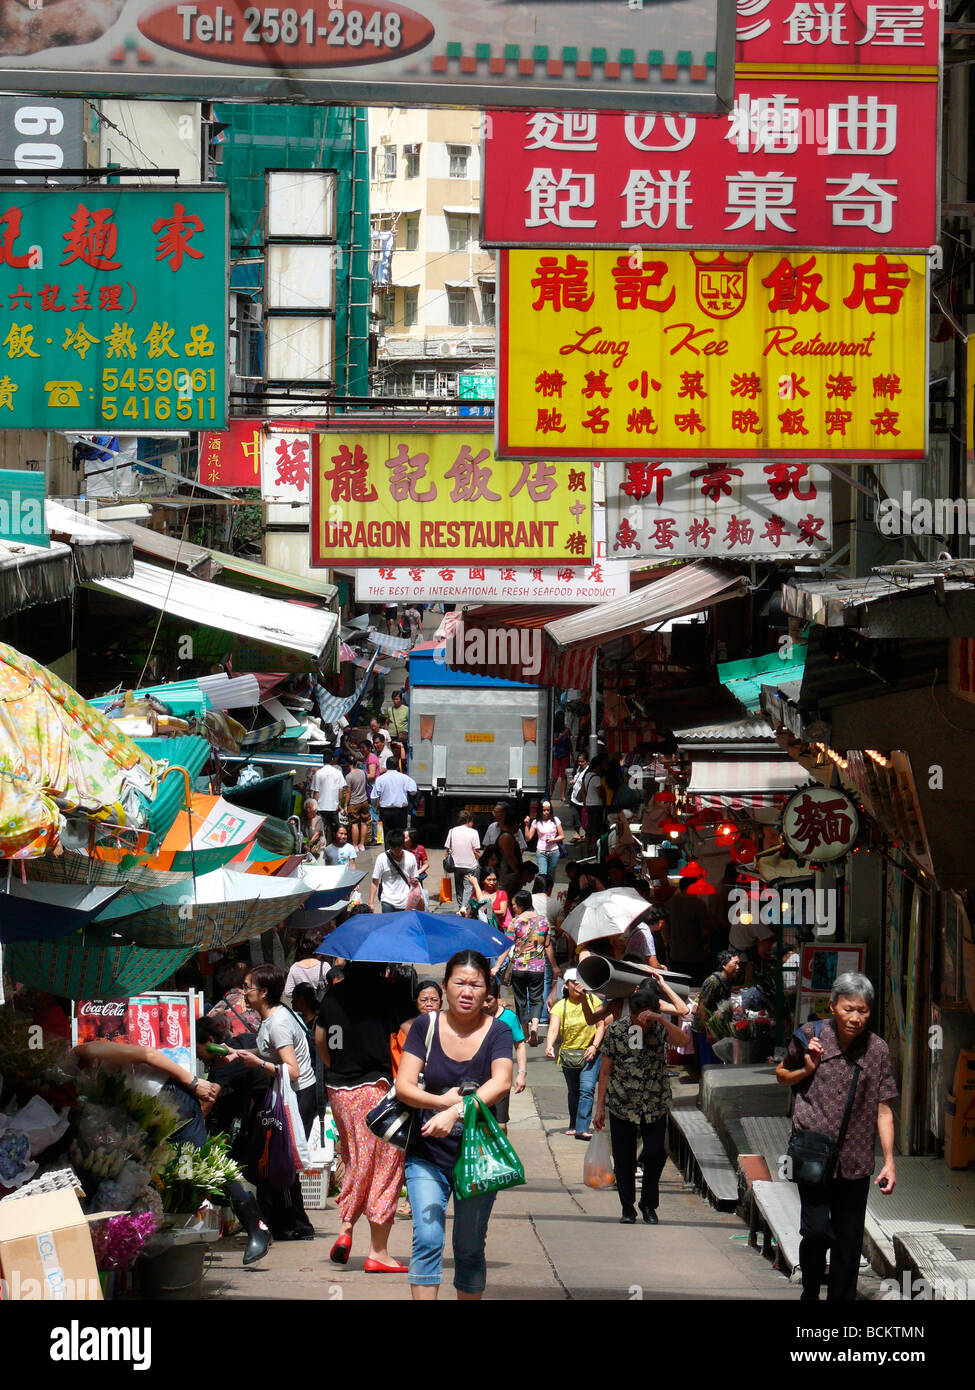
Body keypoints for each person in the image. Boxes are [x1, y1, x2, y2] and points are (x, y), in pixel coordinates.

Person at [394, 950, 514, 1300]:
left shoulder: (499, 1031)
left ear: (487, 991)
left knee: (469, 1246)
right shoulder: (425, 1026)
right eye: (459, 983)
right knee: (428, 1237)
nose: (467, 991)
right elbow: (403, 1086)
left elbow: (501, 1082)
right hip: (427, 1152)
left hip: (478, 1155)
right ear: (445, 986)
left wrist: (456, 1112)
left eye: (475, 984)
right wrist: (441, 1103)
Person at [775, 972, 897, 1302]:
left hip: (855, 1161)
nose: (855, 1018)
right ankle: (810, 1291)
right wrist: (807, 1069)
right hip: (813, 1155)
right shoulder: (809, 1036)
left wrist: (889, 1162)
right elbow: (781, 1075)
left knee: (848, 1240)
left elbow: (883, 1109)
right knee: (815, 1232)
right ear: (832, 1006)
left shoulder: (878, 1051)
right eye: (848, 1009)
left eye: (863, 1010)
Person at [316, 962, 412, 1272]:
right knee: (386, 1164)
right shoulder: (390, 992)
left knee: (355, 1158)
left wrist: (337, 1066)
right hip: (375, 1089)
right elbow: (413, 1032)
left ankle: (346, 1229)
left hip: (338, 1090)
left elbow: (321, 1040)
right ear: (382, 965)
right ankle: (378, 1252)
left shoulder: (333, 996)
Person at [221, 965, 317, 1243]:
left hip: (297, 1095)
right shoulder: (272, 1018)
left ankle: (295, 1224)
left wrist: (257, 1063)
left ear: (263, 992)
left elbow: (293, 1070)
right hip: (287, 1094)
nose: (244, 991)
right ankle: (286, 1222)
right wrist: (239, 1053)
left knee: (282, 1162)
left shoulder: (278, 1023)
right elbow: (268, 1051)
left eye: (248, 986)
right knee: (276, 1158)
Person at [593, 979, 689, 1224]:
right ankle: (628, 1207)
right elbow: (605, 1070)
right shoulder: (616, 1030)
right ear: (632, 1013)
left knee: (656, 1152)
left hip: (654, 1103)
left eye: (647, 1017)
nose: (643, 1023)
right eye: (640, 1018)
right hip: (622, 1103)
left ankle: (649, 1204)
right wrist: (600, 1106)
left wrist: (660, 1020)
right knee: (624, 1159)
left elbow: (684, 1042)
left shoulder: (659, 1028)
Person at [545, 969, 604, 1139]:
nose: (578, 985)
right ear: (566, 985)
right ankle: (573, 1123)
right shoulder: (560, 1006)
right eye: (573, 981)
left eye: (580, 981)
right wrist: (549, 1045)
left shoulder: (593, 1000)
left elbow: (601, 1025)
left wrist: (594, 1046)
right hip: (569, 1055)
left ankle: (582, 1127)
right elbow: (554, 1028)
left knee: (587, 1089)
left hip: (590, 1054)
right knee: (574, 1091)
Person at [493, 888, 549, 1048]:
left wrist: (497, 966)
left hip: (519, 967)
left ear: (521, 905)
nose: (512, 907)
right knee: (537, 998)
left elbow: (507, 946)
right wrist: (555, 966)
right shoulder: (543, 921)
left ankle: (525, 1032)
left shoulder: (515, 922)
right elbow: (547, 945)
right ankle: (535, 1028)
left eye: (514, 905)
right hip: (537, 968)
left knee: (521, 1000)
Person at [483, 977, 528, 1132]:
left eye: (489, 1000)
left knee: (500, 1125)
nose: (484, 1005)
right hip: (478, 1076)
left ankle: (501, 1154)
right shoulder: (474, 1016)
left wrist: (521, 1073)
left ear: (498, 998)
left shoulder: (509, 1017)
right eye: (481, 1000)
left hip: (500, 1078)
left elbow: (520, 1045)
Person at [692, 950, 742, 1068]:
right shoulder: (713, 982)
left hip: (717, 1028)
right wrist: (709, 1032)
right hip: (706, 1030)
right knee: (709, 1064)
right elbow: (703, 1007)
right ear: (724, 965)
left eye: (739, 964)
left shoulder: (727, 981)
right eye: (735, 964)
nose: (738, 967)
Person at [664, 874, 711, 984]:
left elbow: (665, 928)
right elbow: (705, 932)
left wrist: (669, 944)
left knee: (679, 987)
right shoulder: (699, 904)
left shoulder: (670, 902)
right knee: (695, 988)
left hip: (675, 954)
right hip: (694, 956)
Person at [392, 978, 443, 1077]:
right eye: (423, 1000)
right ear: (416, 1003)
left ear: (441, 1003)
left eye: (434, 1000)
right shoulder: (407, 1027)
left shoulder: (448, 1023)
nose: (429, 1004)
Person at [369, 828, 421, 913]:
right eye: (393, 848)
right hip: (387, 901)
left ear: (403, 844)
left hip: (406, 901)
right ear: (389, 846)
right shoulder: (382, 858)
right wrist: (371, 902)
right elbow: (375, 881)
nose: (396, 851)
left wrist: (414, 881)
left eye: (399, 847)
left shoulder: (410, 857)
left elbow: (414, 878)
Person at [445, 809, 482, 910]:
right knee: (469, 887)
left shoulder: (452, 831)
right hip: (470, 865)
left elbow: (447, 850)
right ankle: (464, 908)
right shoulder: (474, 832)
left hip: (456, 865)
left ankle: (461, 906)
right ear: (468, 820)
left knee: (459, 887)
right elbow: (476, 850)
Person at [371, 759, 417, 838]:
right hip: (400, 812)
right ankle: (399, 849)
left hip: (385, 811)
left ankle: (389, 850)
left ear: (386, 766)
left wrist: (376, 807)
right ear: (397, 766)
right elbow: (413, 791)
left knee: (387, 835)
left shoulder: (380, 779)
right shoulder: (405, 778)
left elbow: (374, 797)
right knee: (400, 834)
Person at [523, 800, 564, 879]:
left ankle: (548, 891)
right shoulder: (536, 822)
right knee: (542, 875)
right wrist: (526, 825)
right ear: (540, 810)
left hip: (554, 851)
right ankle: (542, 891)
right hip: (541, 852)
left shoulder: (555, 820)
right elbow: (528, 838)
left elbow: (562, 836)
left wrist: (553, 840)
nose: (546, 812)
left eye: (548, 810)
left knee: (551, 876)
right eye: (544, 810)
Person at [309, 752, 346, 835]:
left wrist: (314, 806)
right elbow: (341, 790)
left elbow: (316, 792)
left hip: (321, 806)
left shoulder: (318, 773)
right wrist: (340, 804)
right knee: (335, 829)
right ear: (332, 760)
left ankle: (324, 846)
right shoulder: (338, 773)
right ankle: (334, 845)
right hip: (333, 806)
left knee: (321, 829)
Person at [342, 756, 371, 850]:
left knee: (354, 824)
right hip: (364, 800)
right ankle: (362, 844)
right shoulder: (362, 772)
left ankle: (355, 846)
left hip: (354, 803)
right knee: (364, 822)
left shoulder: (348, 776)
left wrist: (345, 805)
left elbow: (348, 792)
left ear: (347, 764)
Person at [583, 754, 607, 850]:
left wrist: (585, 802)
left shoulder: (587, 775)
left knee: (589, 829)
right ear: (598, 766)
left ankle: (587, 849)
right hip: (597, 806)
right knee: (595, 830)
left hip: (589, 805)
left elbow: (583, 791)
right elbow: (600, 794)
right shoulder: (597, 779)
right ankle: (593, 851)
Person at [403, 828, 429, 909]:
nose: (402, 839)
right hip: (403, 879)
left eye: (405, 837)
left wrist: (417, 873)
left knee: (417, 900)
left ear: (412, 838)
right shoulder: (400, 849)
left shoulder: (420, 848)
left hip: (416, 880)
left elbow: (426, 864)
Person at [569, 754, 589, 842]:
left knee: (583, 818)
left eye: (582, 761)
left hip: (582, 800)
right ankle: (577, 833)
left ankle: (585, 834)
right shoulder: (579, 769)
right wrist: (573, 781)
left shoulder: (587, 772)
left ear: (587, 762)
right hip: (574, 798)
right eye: (579, 761)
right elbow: (576, 778)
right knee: (575, 816)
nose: (580, 763)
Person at [551, 727, 572, 802]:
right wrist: (563, 734)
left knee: (564, 776)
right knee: (555, 776)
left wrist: (572, 756)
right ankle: (551, 792)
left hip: (565, 755)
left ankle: (562, 795)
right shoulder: (556, 731)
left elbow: (570, 744)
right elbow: (555, 741)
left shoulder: (567, 731)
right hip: (557, 755)